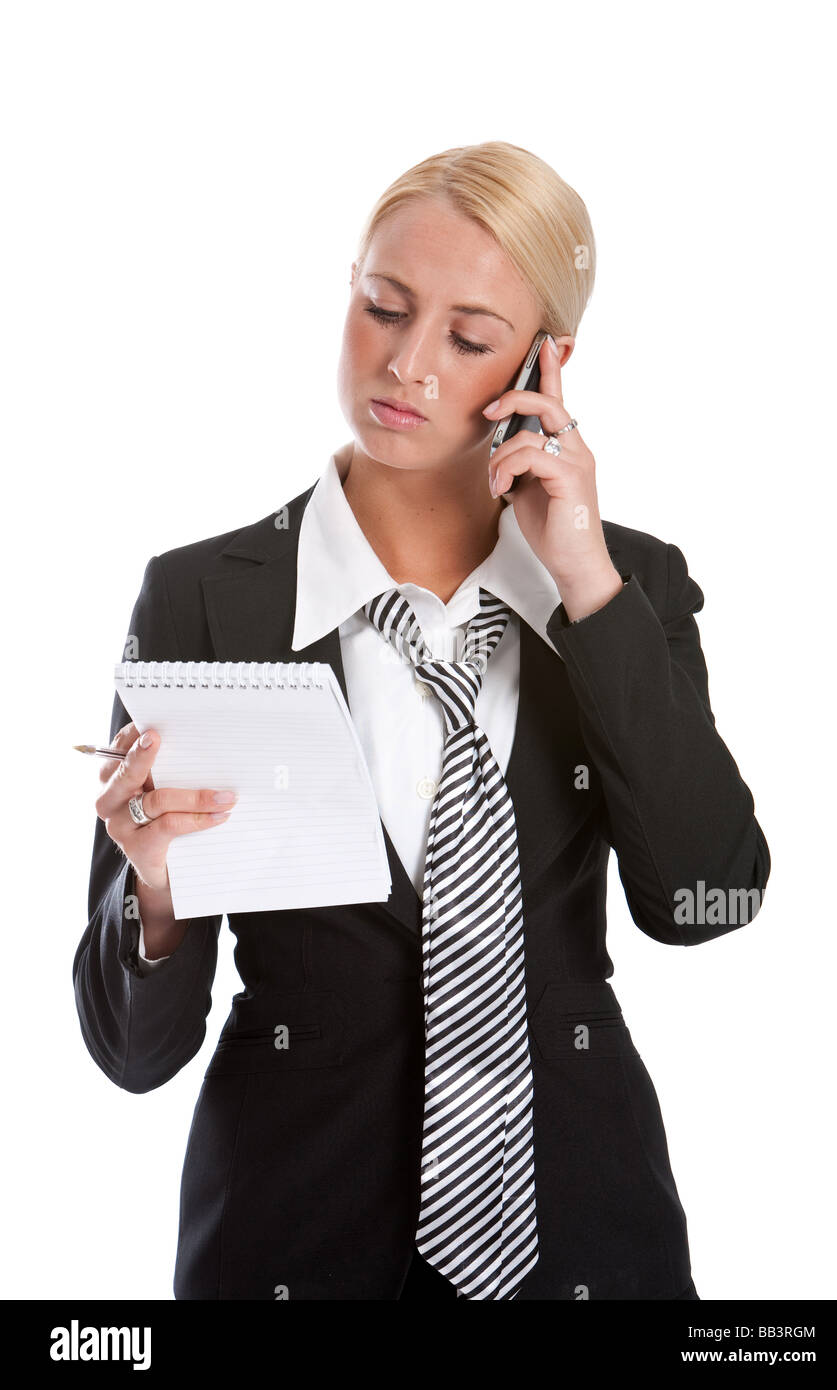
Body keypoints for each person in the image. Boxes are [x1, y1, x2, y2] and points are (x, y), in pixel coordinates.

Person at [73, 140, 771, 1300]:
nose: (407, 366)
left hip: (586, 1238)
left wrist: (586, 587)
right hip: (289, 1236)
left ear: (547, 361)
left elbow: (711, 897)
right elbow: (131, 1050)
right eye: (382, 307)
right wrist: (153, 892)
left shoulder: (621, 587)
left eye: (467, 336)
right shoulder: (205, 595)